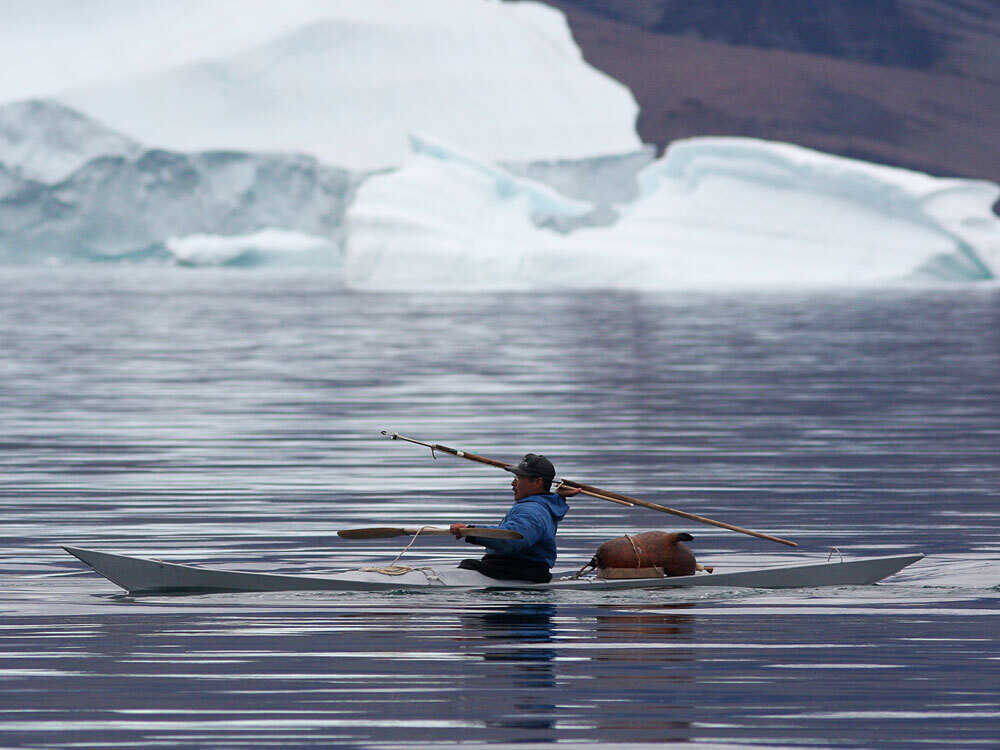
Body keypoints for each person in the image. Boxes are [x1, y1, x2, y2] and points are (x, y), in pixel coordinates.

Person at [450, 453, 580, 583]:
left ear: (537, 483)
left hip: (517, 572)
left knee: (468, 564)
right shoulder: (542, 506)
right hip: (519, 570)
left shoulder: (532, 511)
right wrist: (559, 496)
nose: (513, 483)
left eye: (518, 478)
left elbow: (514, 539)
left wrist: (470, 531)